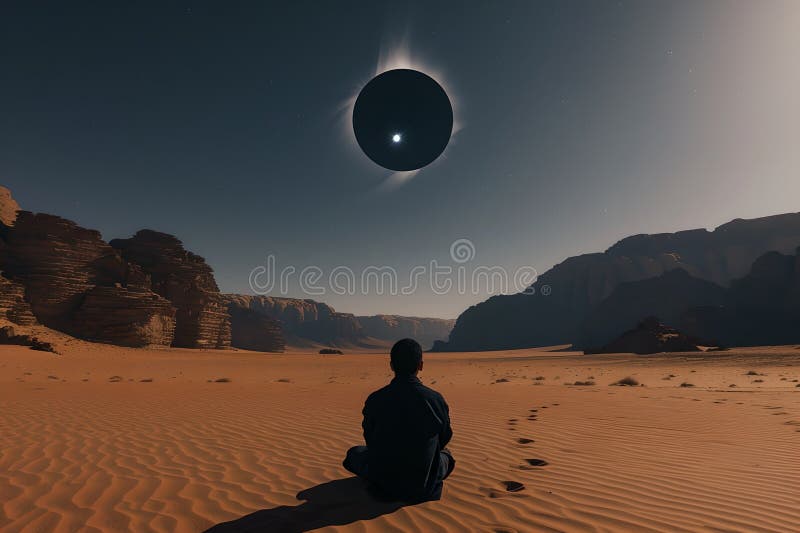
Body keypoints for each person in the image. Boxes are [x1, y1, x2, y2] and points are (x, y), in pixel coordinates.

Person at [343, 338, 455, 502]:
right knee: (447, 456)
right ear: (421, 365)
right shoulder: (435, 399)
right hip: (423, 486)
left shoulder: (375, 399)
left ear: (391, 366)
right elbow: (445, 437)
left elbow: (370, 439)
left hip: (383, 483)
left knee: (354, 454)